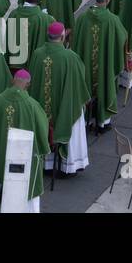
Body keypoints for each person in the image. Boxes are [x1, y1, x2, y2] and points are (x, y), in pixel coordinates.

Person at [28, 22, 91, 176]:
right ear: (63, 37)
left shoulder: (37, 54)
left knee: (43, 125)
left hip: (41, 108)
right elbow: (78, 85)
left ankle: (46, 164)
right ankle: (67, 166)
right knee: (72, 116)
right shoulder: (71, 57)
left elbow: (33, 83)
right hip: (64, 106)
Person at [0, 70, 50, 211]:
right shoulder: (32, 105)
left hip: (0, 155)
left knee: (1, 175)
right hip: (22, 158)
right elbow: (42, 131)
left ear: (13, 81)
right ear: (28, 85)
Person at [70, 0, 129, 132]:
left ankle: (85, 120)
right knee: (105, 84)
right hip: (104, 66)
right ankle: (103, 122)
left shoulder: (83, 18)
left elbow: (75, 42)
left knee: (86, 85)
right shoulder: (112, 20)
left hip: (86, 66)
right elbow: (122, 38)